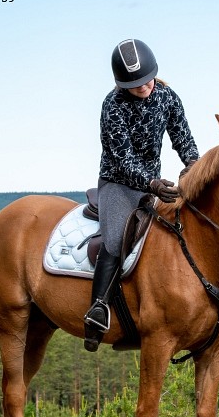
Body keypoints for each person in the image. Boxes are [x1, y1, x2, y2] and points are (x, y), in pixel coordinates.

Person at [83, 38, 200, 352]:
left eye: (147, 80)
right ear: (122, 84)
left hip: (153, 185)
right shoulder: (113, 105)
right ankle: (97, 309)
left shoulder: (166, 96)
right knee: (114, 239)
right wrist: (152, 183)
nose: (144, 87)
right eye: (135, 85)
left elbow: (182, 135)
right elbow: (122, 158)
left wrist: (195, 167)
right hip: (118, 184)